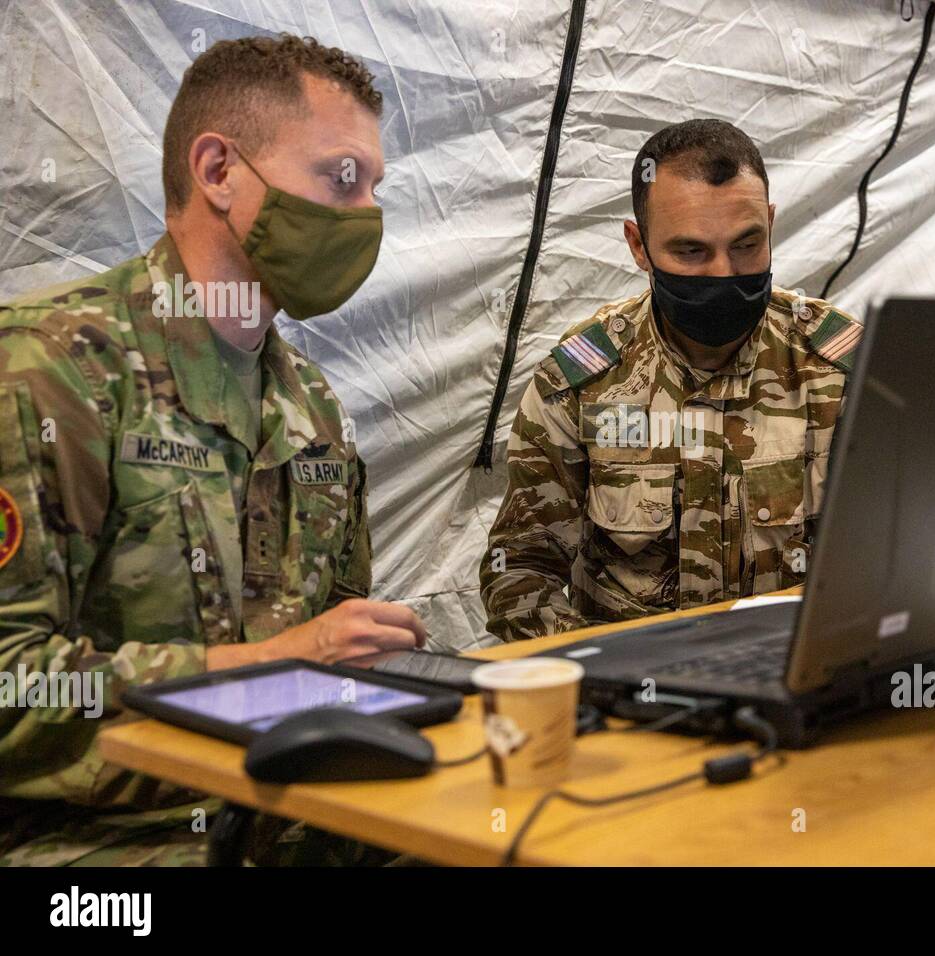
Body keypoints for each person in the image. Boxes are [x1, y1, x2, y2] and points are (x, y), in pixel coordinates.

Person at [0, 34, 426, 866]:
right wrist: (264, 665)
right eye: (342, 178)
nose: (365, 213)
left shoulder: (307, 402)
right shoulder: (52, 368)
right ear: (219, 171)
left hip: (292, 819)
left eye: (375, 187)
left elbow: (330, 644)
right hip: (105, 848)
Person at [480, 119, 863, 642]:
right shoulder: (581, 385)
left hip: (798, 674)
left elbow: (908, 543)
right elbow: (519, 570)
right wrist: (606, 673)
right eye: (692, 252)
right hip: (637, 695)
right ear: (639, 246)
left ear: (770, 225)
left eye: (747, 244)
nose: (725, 273)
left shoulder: (841, 371)